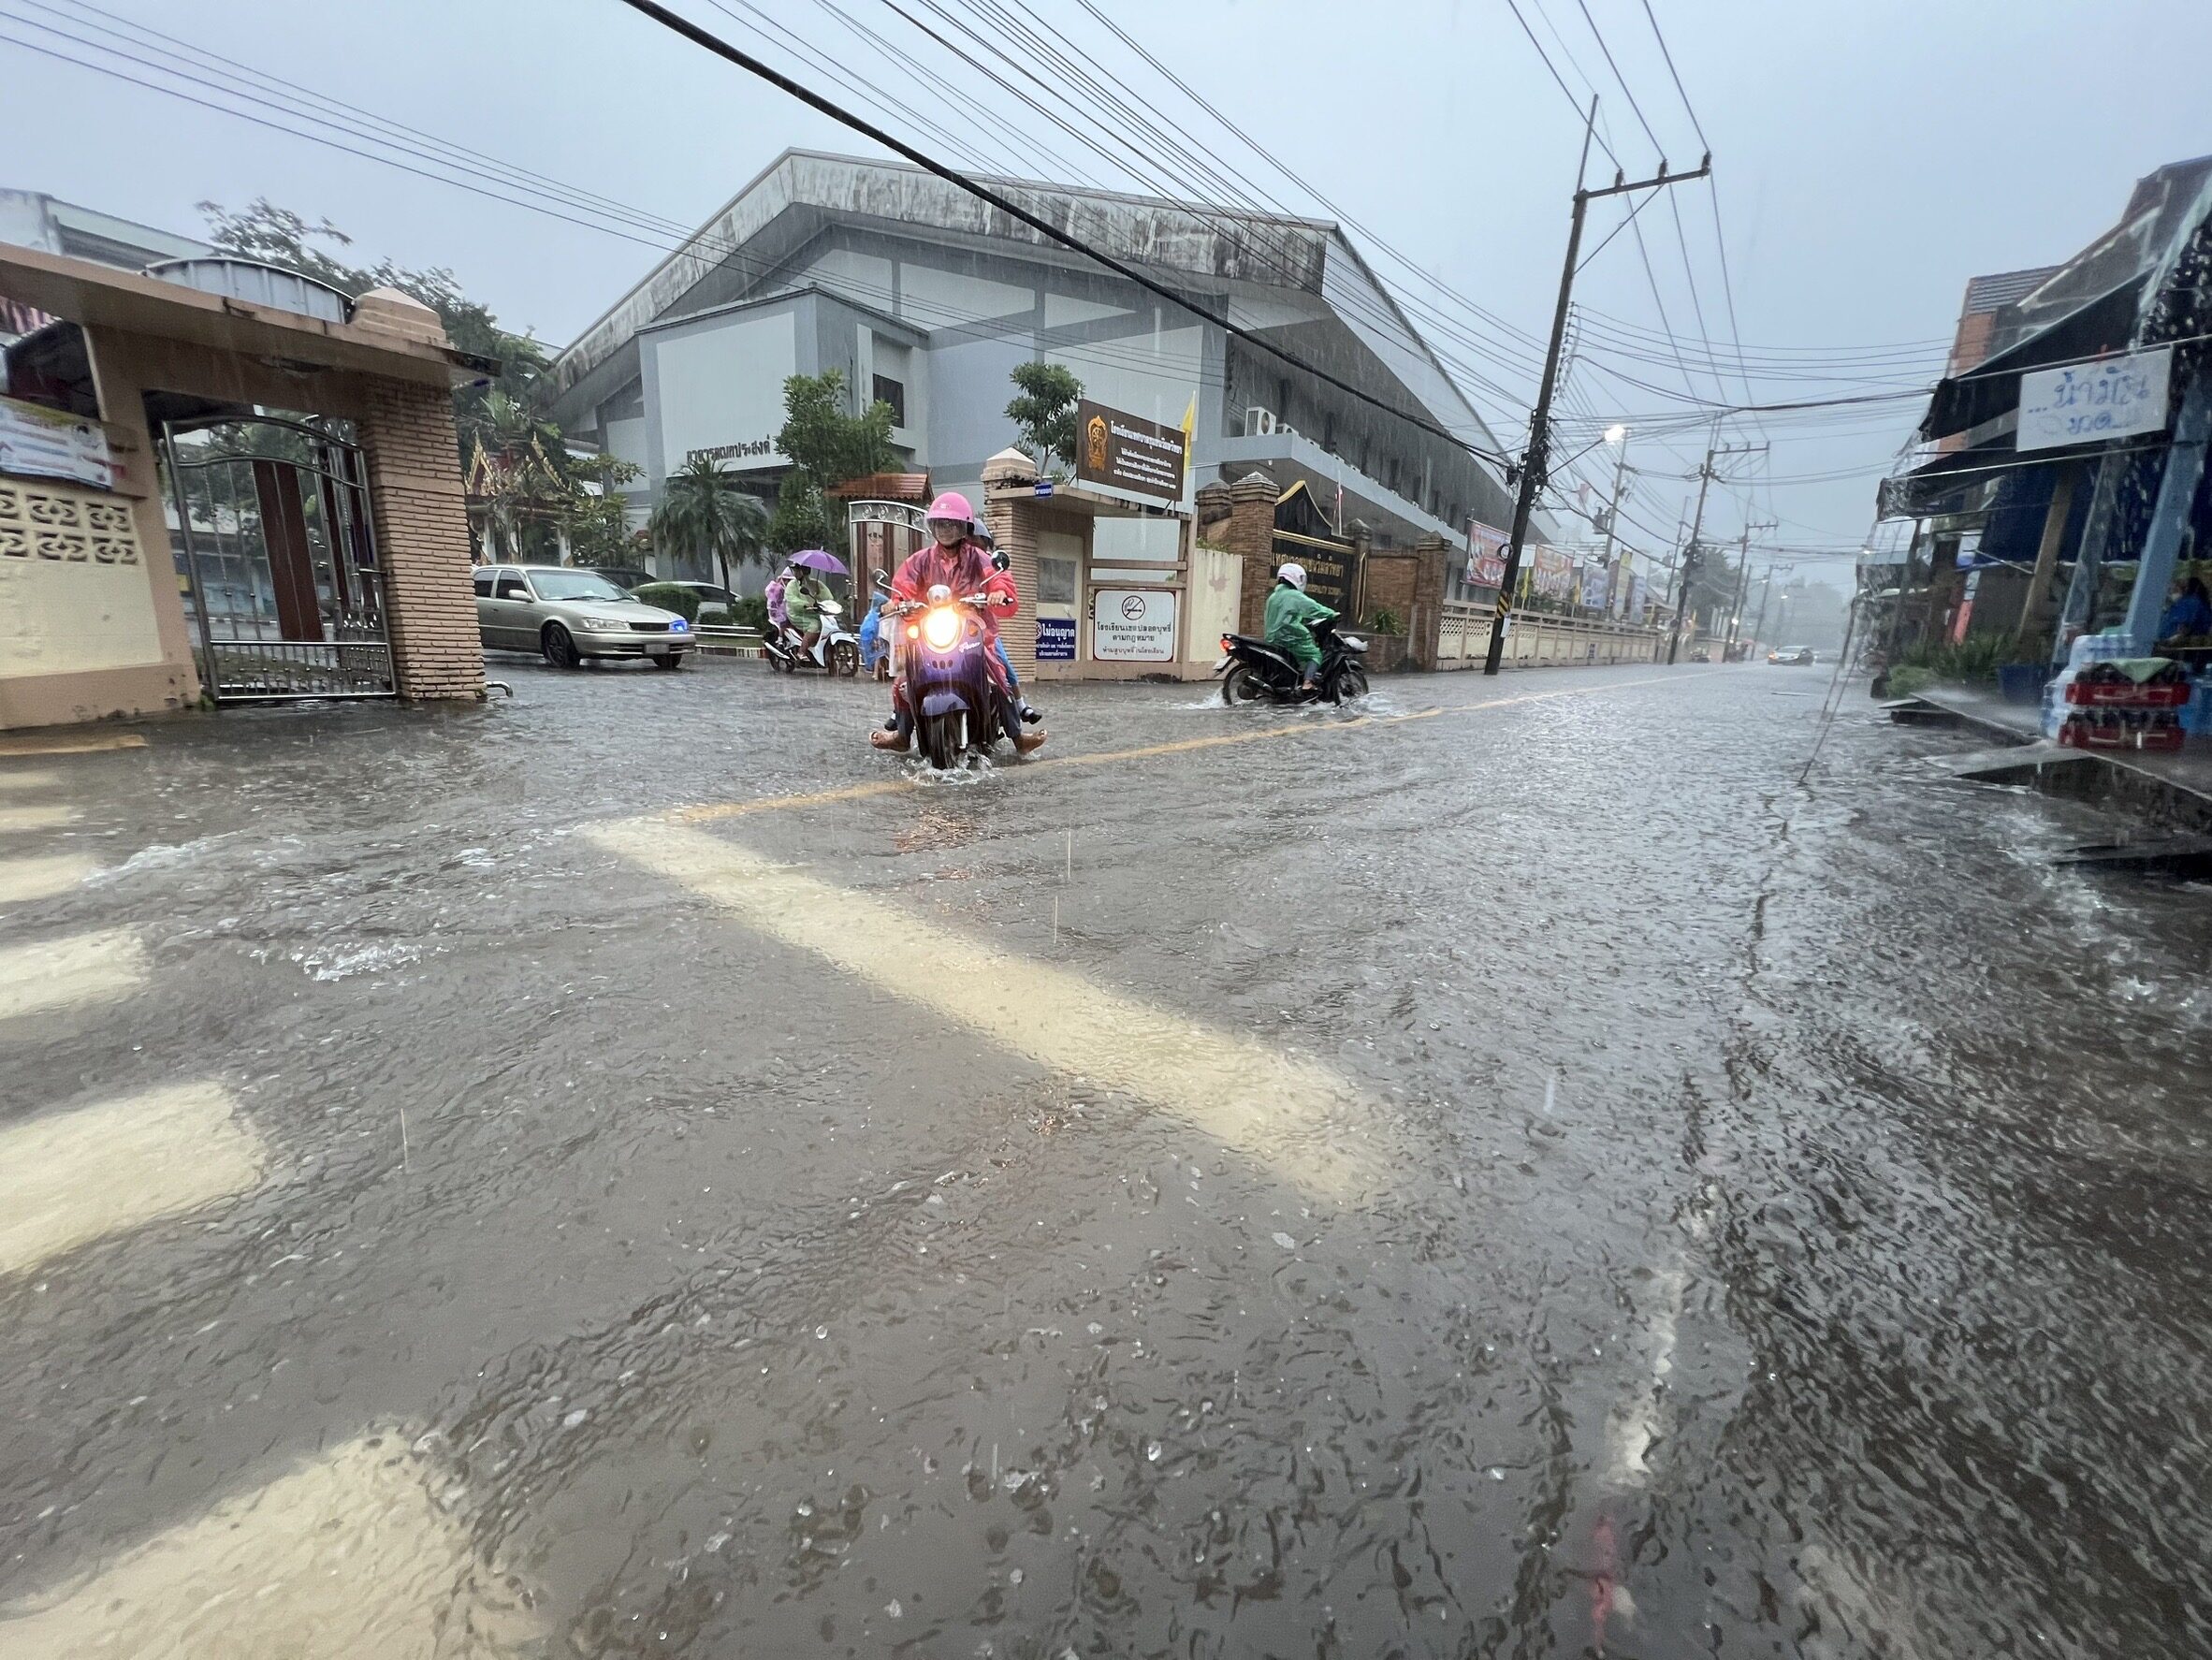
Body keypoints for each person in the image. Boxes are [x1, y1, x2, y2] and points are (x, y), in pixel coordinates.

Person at [872, 491, 1045, 754]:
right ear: (932, 527)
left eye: (952, 524)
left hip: (973, 628)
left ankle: (1018, 736)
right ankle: (903, 735)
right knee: (906, 676)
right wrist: (896, 601)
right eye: (941, 524)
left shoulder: (978, 558)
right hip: (930, 628)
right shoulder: (920, 560)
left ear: (964, 527)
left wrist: (998, 592)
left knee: (999, 675)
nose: (946, 530)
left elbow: (997, 579)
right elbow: (903, 585)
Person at [986, 545, 1042, 724]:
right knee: (911, 661)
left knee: (1002, 665)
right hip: (946, 632)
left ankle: (1020, 708)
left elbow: (1001, 581)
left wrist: (999, 592)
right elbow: (912, 582)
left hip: (982, 631)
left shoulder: (986, 565)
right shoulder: (933, 561)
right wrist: (901, 600)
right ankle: (901, 721)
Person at [1264, 561, 1336, 691]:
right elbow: (1314, 608)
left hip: (1273, 637)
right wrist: (1332, 614)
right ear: (1295, 577)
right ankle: (1308, 683)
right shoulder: (1294, 596)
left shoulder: (1274, 596)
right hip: (1288, 637)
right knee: (1315, 654)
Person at [786, 566, 831, 656]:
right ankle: (801, 652)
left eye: (798, 570)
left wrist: (819, 594)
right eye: (795, 570)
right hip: (798, 614)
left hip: (815, 613)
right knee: (815, 626)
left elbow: (828, 597)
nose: (795, 573)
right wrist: (805, 604)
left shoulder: (815, 583)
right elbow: (792, 600)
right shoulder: (792, 585)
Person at [857, 573, 892, 677]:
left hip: (871, 637)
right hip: (873, 638)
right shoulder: (876, 618)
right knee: (880, 653)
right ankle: (877, 673)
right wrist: (875, 640)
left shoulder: (873, 616)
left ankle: (877, 672)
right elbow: (875, 631)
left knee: (879, 653)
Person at [2158, 574, 2211, 641]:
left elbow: (2183, 628)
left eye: (2172, 589)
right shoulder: (2199, 604)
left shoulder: (2188, 603)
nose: (2169, 593)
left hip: (2176, 646)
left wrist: (2169, 641)